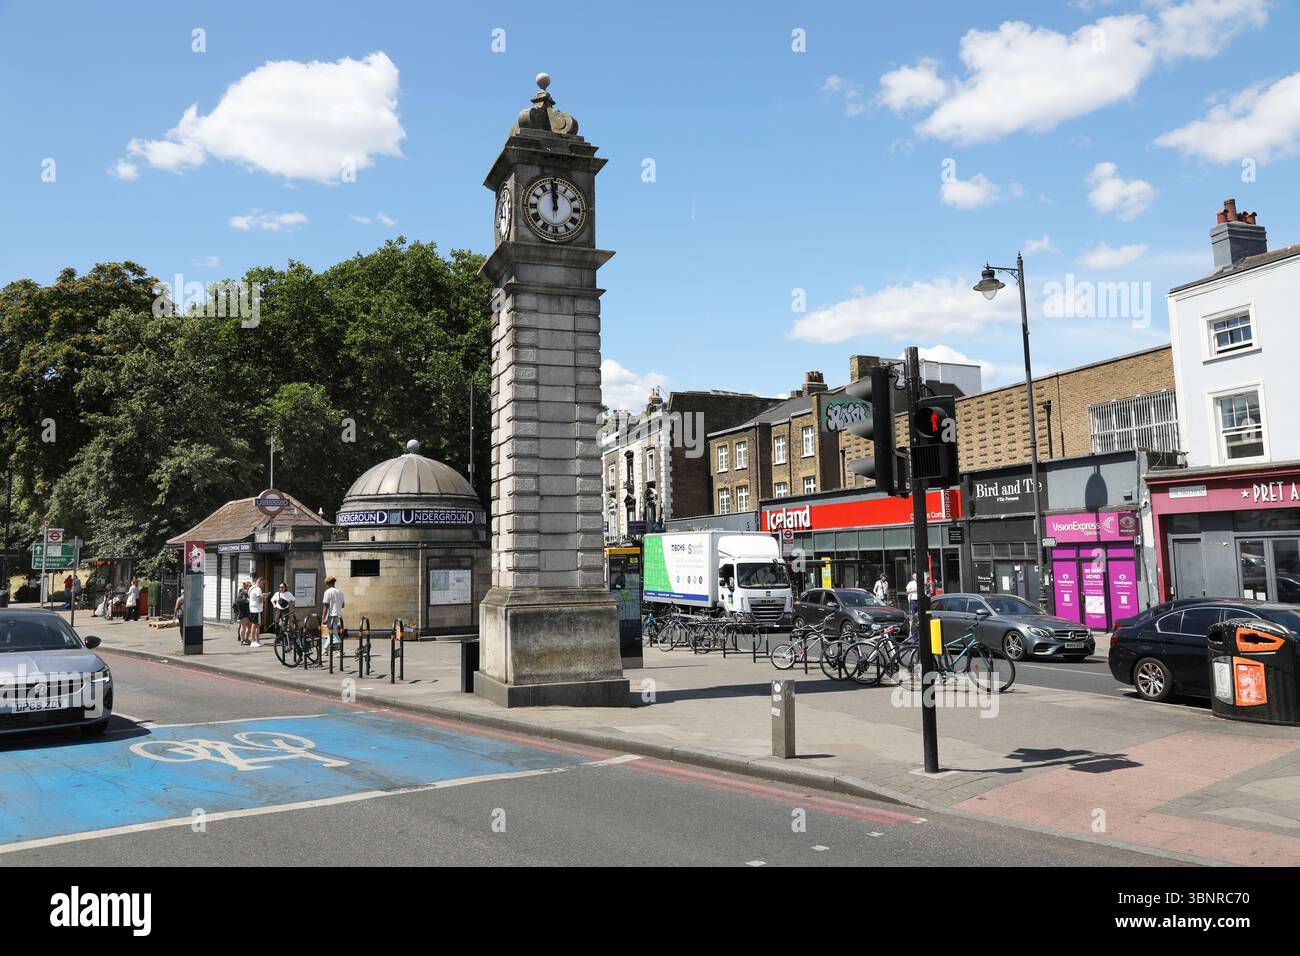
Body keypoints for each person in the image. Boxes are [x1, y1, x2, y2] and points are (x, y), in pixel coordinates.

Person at [320, 577, 345, 651]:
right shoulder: (340, 592)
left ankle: (340, 650)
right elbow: (343, 605)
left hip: (331, 615)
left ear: (328, 583)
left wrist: (323, 618)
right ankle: (325, 649)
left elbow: (326, 606)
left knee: (334, 634)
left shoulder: (328, 592)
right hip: (338, 615)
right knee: (331, 632)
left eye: (326, 583)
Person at [247, 577, 265, 648]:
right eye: (262, 583)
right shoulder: (258, 589)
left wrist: (262, 596)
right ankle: (253, 641)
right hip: (257, 609)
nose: (262, 585)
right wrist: (264, 597)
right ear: (259, 581)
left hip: (252, 608)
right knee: (255, 625)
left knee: (256, 625)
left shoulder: (252, 588)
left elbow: (253, 598)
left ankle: (257, 641)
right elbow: (260, 600)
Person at [236, 580, 252, 645]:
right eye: (250, 586)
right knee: (243, 627)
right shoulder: (243, 593)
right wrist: (247, 601)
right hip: (244, 612)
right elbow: (239, 601)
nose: (251, 587)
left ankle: (247, 638)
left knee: (249, 627)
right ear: (247, 586)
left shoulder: (250, 593)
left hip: (249, 612)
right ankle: (242, 640)